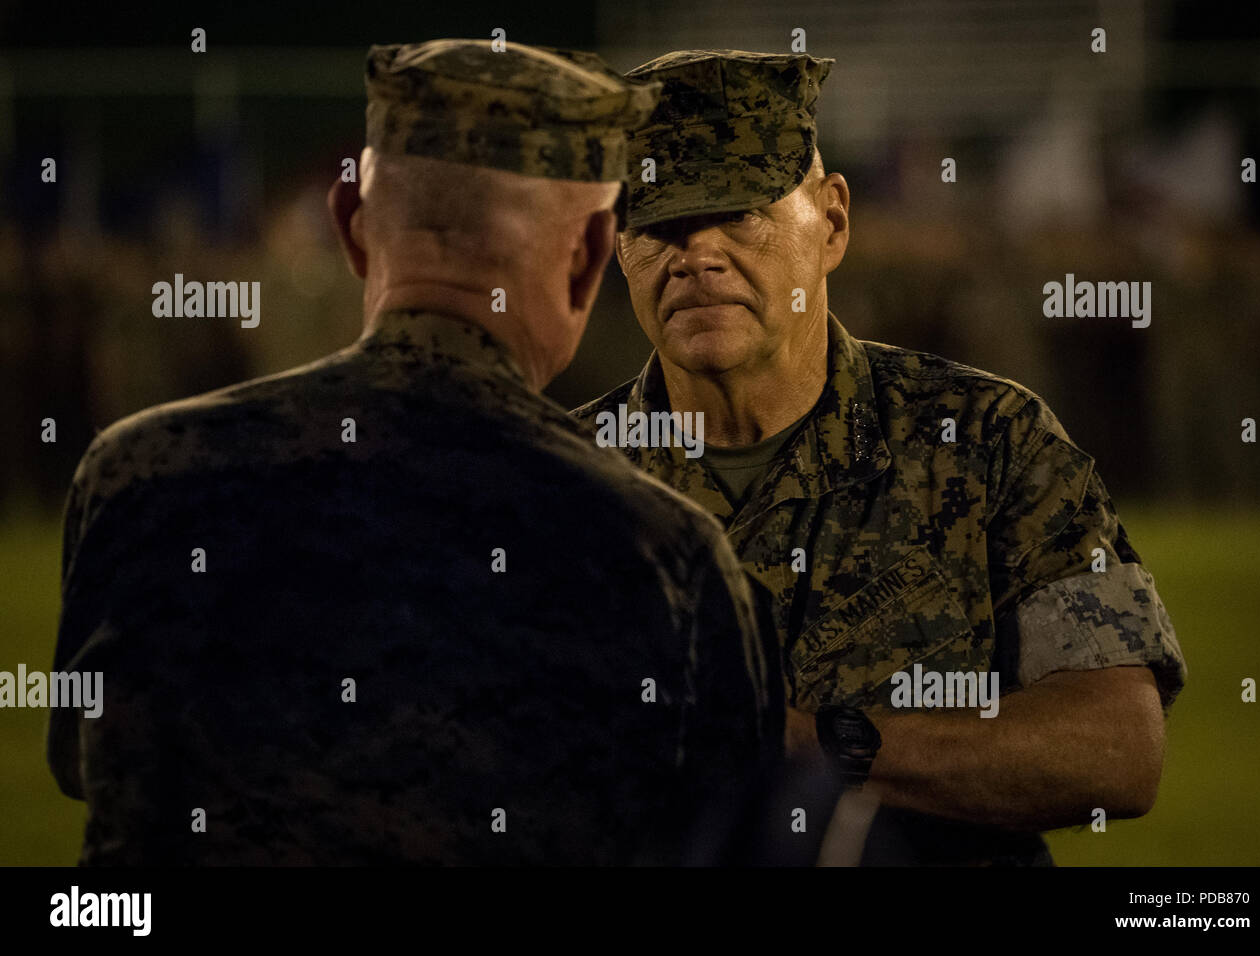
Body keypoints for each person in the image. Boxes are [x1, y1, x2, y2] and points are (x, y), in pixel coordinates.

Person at [49, 39, 782, 866]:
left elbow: (84, 764)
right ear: (586, 259)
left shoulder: (137, 472)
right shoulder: (667, 556)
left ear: (351, 227)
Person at [573, 50, 1188, 865]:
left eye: (741, 213)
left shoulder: (988, 440)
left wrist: (821, 747)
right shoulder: (564, 482)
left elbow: (1118, 750)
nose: (700, 254)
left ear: (831, 221)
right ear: (618, 247)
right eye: (662, 227)